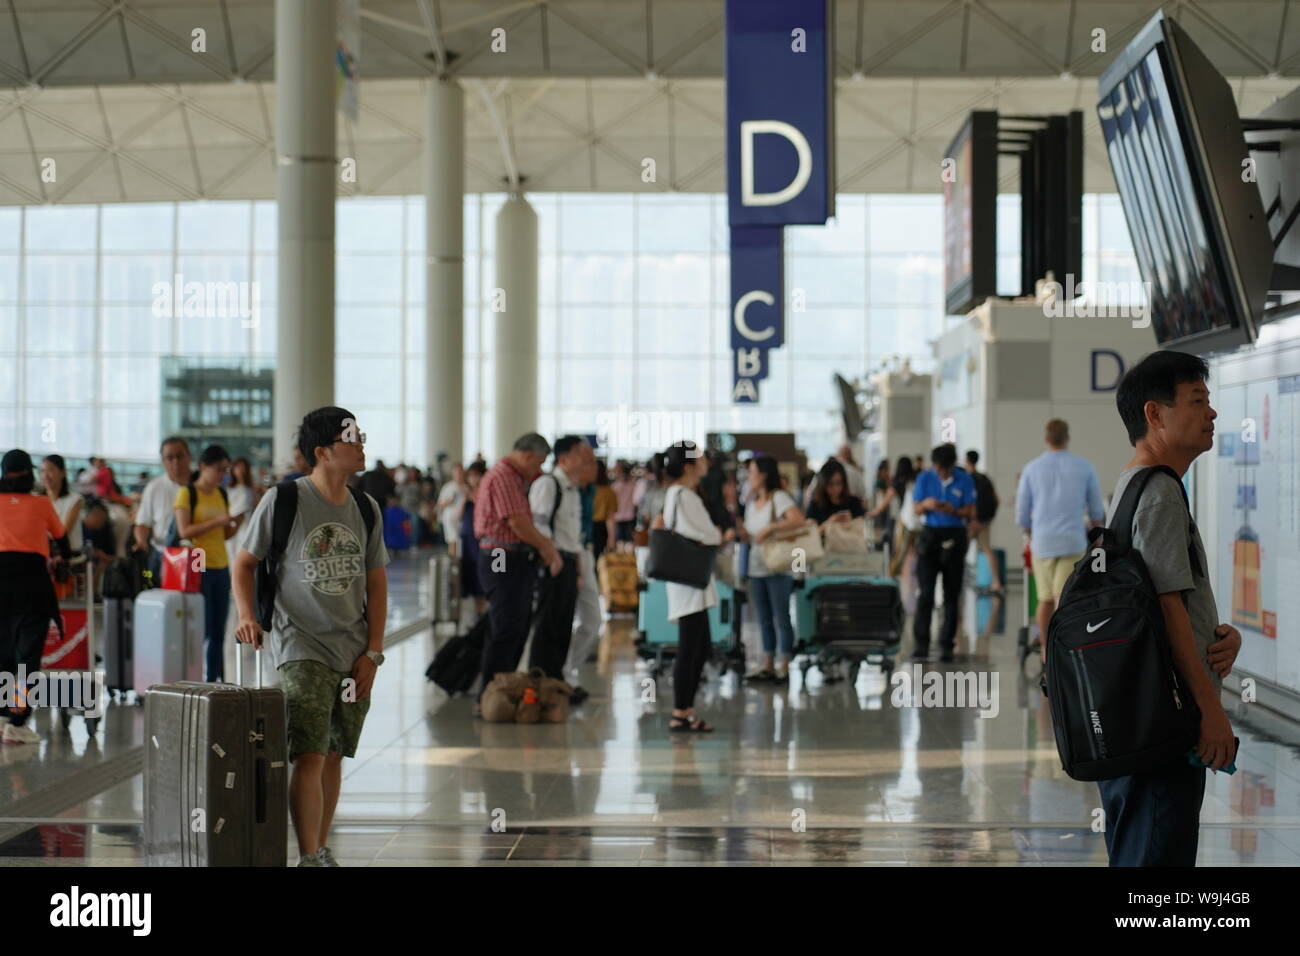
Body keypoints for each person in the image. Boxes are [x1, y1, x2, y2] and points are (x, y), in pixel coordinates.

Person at [1097, 351, 1240, 867]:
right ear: (1155, 415)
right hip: (1166, 720)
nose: (1212, 413)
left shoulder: (1134, 485)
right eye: (1198, 400)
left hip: (1140, 714)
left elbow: (1160, 607)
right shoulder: (1158, 493)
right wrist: (1211, 713)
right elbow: (1169, 611)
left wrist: (1220, 637)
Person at [233, 407, 389, 868]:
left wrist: (374, 652)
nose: (360, 444)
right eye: (351, 438)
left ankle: (318, 850)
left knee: (336, 752)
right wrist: (247, 615)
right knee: (310, 753)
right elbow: (243, 563)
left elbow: (376, 581)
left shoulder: (365, 507)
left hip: (352, 647)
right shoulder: (283, 501)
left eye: (360, 435)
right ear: (322, 452)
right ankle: (307, 856)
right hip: (299, 645)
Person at [474, 434, 562, 704]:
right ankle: (491, 693)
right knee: (506, 625)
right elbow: (517, 523)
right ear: (526, 456)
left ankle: (505, 686)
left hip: (512, 556)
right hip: (500, 555)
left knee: (517, 623)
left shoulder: (515, 477)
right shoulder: (503, 477)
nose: (539, 470)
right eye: (538, 463)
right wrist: (547, 547)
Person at [1015, 420, 1106, 663]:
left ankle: (1045, 648)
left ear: (1046, 439)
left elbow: (1022, 513)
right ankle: (1063, 648)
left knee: (1044, 599)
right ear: (1067, 438)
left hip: (1042, 543)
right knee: (1063, 599)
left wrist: (1028, 532)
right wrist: (1097, 538)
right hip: (1071, 542)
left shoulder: (1031, 469)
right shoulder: (1083, 467)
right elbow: (1096, 509)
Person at [0, 449, 72, 744]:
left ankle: (4, 714)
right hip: (32, 584)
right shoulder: (41, 503)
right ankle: (17, 720)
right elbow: (64, 544)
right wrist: (59, 560)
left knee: (3, 652)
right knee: (26, 658)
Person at [658, 441, 728, 732]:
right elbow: (708, 534)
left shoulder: (680, 494)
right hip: (689, 582)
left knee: (698, 646)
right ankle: (680, 712)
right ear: (688, 466)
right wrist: (716, 535)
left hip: (688, 581)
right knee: (691, 649)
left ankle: (685, 710)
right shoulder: (684, 495)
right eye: (698, 456)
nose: (704, 460)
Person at [173, 444, 242, 682]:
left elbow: (223, 535)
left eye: (226, 470)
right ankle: (193, 677)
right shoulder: (187, 494)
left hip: (220, 562)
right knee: (200, 627)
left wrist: (235, 524)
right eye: (220, 469)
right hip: (197, 562)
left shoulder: (221, 494)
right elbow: (184, 530)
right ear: (203, 467)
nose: (223, 474)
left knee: (219, 630)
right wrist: (217, 521)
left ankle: (213, 679)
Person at [528, 436, 593, 684]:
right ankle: (539, 682)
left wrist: (577, 566)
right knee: (547, 626)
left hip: (567, 563)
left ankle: (556, 682)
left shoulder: (573, 489)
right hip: (551, 563)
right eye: (579, 453)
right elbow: (539, 525)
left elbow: (573, 535)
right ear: (564, 458)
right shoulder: (548, 484)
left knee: (563, 626)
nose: (584, 458)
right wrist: (552, 556)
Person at [738, 455, 806, 682]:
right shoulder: (751, 502)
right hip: (756, 566)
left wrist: (771, 527)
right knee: (764, 618)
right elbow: (749, 535)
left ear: (764, 474)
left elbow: (798, 520)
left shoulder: (779, 498)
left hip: (778, 565)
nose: (750, 476)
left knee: (781, 616)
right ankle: (768, 661)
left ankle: (784, 663)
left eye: (753, 472)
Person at [911, 443, 977, 662]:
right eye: (938, 467)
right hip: (930, 535)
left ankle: (947, 644)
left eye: (945, 468)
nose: (941, 472)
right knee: (926, 592)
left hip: (954, 534)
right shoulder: (925, 479)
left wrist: (954, 510)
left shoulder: (964, 479)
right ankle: (921, 643)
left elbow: (970, 510)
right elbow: (916, 508)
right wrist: (927, 505)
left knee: (952, 593)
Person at [565, 450, 603, 705]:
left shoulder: (589, 492)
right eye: (588, 463)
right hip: (570, 557)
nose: (593, 469)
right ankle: (565, 675)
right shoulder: (567, 490)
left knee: (593, 620)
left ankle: (569, 669)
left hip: (586, 554)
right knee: (565, 619)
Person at [133, 437, 192, 585]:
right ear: (163, 461)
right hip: (162, 553)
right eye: (169, 458)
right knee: (162, 600)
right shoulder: (154, 487)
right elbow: (143, 523)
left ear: (188, 456)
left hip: (196, 554)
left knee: (196, 602)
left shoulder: (200, 485)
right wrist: (141, 542)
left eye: (179, 456)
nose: (175, 462)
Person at [964, 449, 1004, 594]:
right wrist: (988, 520)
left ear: (966, 461)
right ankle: (997, 583)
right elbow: (997, 500)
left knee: (960, 552)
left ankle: (958, 584)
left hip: (971, 523)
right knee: (987, 550)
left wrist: (973, 519)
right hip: (985, 522)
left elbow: (969, 502)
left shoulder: (966, 478)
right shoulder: (985, 478)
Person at [458, 461, 488, 618]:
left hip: (484, 540)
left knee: (486, 571)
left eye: (477, 475)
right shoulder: (465, 494)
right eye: (470, 476)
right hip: (467, 538)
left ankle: (486, 607)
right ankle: (478, 610)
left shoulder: (488, 492)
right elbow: (458, 516)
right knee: (471, 572)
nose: (473, 479)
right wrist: (465, 499)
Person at [805, 459, 865, 530]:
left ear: (844, 482)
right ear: (823, 484)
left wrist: (852, 522)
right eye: (830, 484)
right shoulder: (815, 505)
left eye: (838, 483)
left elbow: (862, 530)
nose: (835, 489)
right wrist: (830, 521)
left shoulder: (854, 502)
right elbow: (811, 534)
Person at [41, 454, 83, 555]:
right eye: (42, 471)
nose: (45, 475)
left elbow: (63, 533)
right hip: (44, 552)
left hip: (67, 553)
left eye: (50, 470)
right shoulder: (38, 500)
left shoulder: (75, 500)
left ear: (63, 473)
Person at [889, 456, 919, 577]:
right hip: (918, 520)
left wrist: (875, 511)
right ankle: (917, 572)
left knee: (900, 549)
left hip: (905, 518)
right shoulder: (915, 480)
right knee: (915, 549)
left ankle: (893, 574)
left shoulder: (897, 481)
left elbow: (888, 498)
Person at [589, 460, 618, 562]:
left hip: (588, 526)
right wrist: (611, 538)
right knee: (598, 559)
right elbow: (610, 518)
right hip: (601, 529)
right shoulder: (609, 492)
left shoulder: (585, 490)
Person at [435, 463, 466, 553]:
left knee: (462, 543)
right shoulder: (448, 487)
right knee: (453, 541)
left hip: (463, 519)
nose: (459, 474)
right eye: (456, 472)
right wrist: (449, 501)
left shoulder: (467, 486)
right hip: (450, 519)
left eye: (460, 472)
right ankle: (453, 563)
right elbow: (439, 504)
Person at [612, 460, 637, 546]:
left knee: (620, 540)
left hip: (618, 516)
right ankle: (629, 559)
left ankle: (620, 558)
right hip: (630, 515)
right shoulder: (634, 485)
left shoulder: (615, 486)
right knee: (629, 540)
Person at [399, 467, 424, 550]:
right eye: (410, 473)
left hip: (415, 508)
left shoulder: (419, 484)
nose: (412, 474)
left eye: (413, 473)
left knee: (414, 526)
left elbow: (422, 496)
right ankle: (403, 543)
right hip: (404, 508)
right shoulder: (404, 483)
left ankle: (414, 544)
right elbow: (397, 492)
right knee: (403, 527)